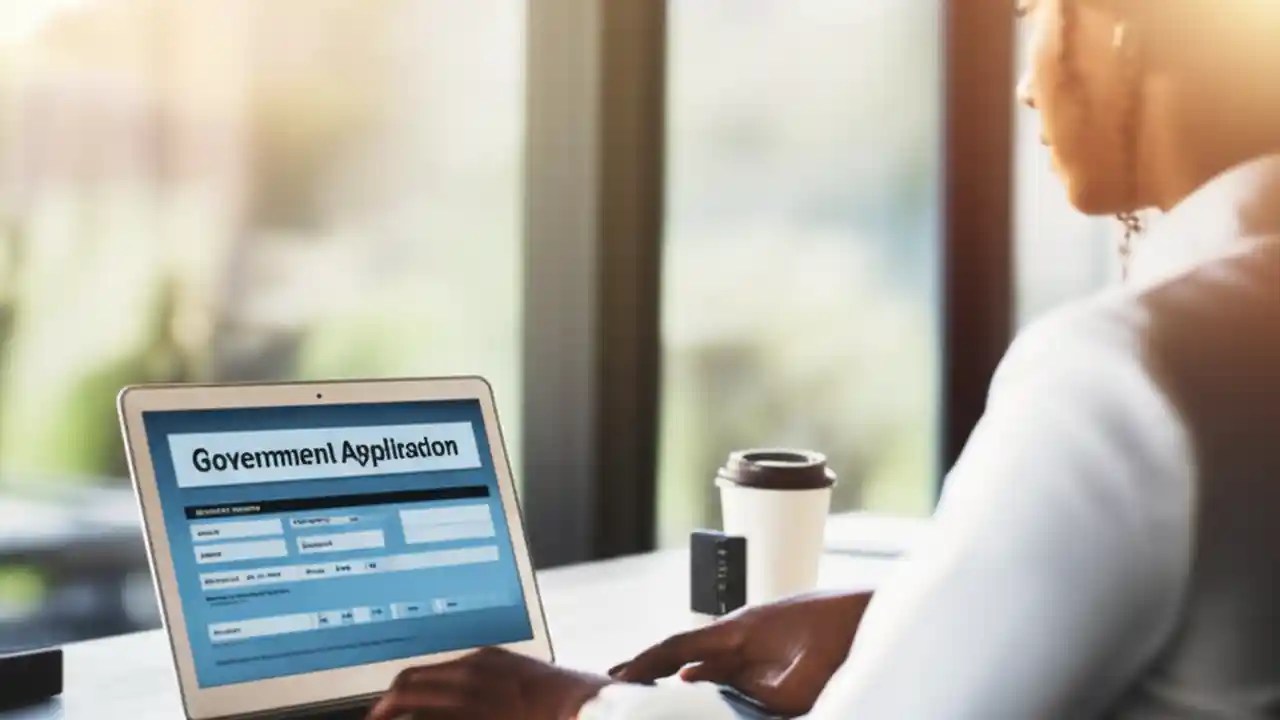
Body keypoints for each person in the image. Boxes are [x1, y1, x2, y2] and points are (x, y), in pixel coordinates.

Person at [367, 0, 1280, 717]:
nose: (1024, 87)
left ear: (1115, 27)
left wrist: (565, 704)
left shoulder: (1121, 375)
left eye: (1030, 15)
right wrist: (906, 619)